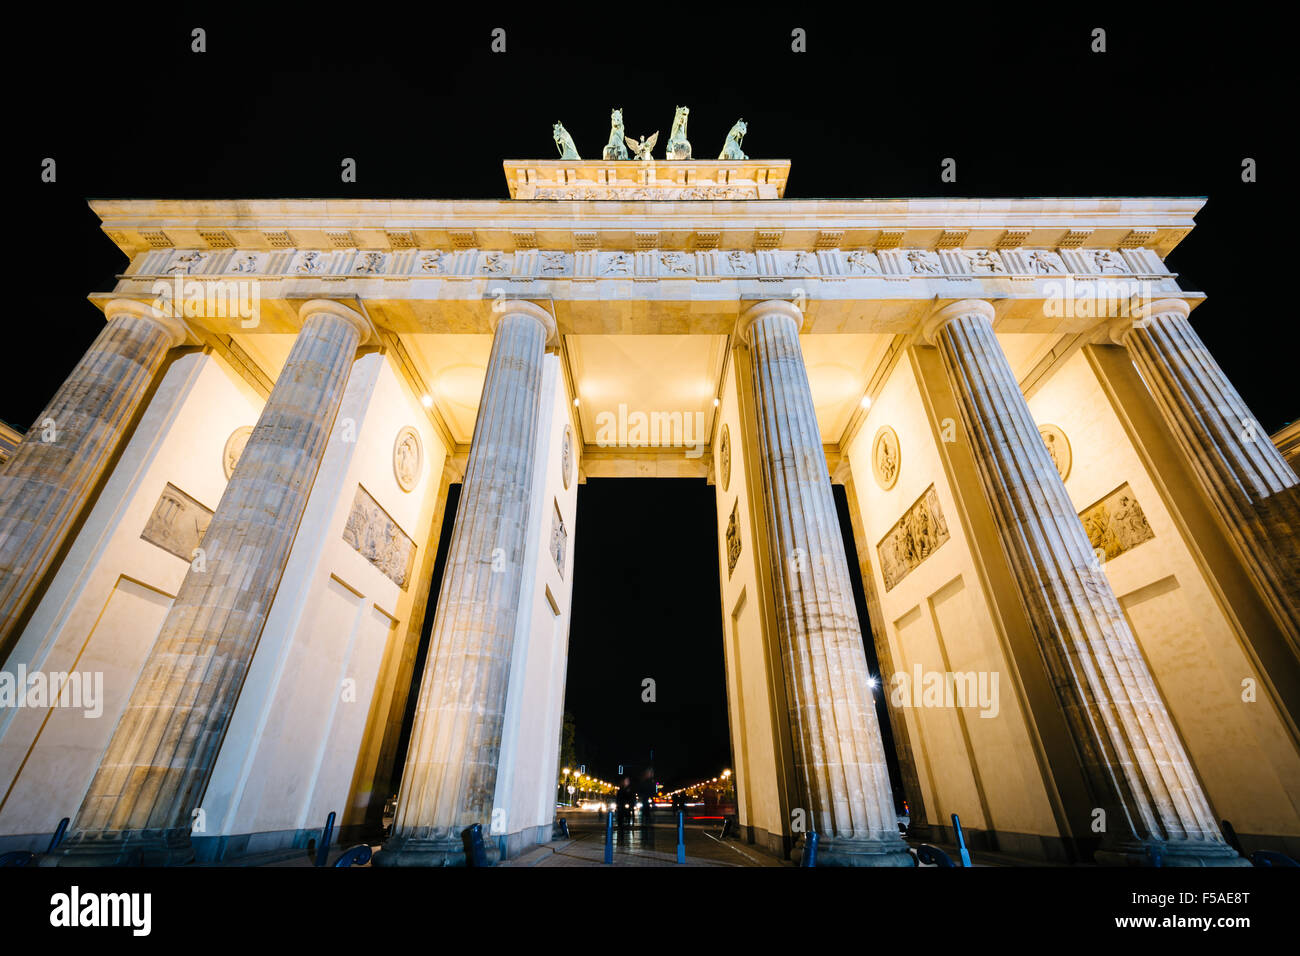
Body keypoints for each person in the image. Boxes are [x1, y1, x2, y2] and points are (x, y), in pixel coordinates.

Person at [636, 768, 657, 848]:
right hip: (647, 807)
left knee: (646, 825)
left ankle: (645, 841)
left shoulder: (646, 782)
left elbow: (640, 793)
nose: (652, 774)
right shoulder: (650, 783)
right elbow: (652, 794)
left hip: (646, 806)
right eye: (651, 773)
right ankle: (649, 842)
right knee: (649, 826)